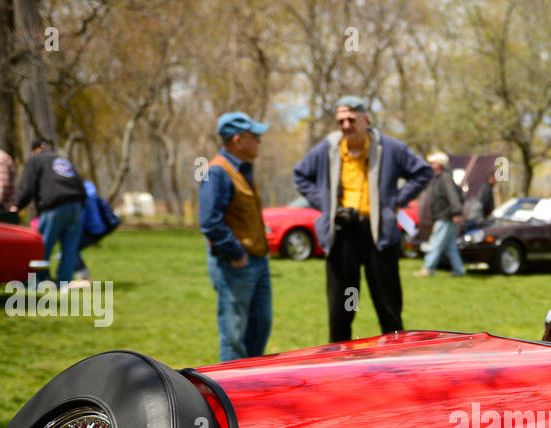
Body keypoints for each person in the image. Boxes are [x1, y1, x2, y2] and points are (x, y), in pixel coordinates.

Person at [293, 95, 433, 342]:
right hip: (343, 234)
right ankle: (340, 363)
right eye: (341, 121)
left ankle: (395, 361)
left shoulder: (390, 147)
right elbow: (300, 175)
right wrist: (326, 204)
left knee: (388, 306)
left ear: (365, 118)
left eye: (351, 119)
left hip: (378, 234)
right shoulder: (328, 149)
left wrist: (397, 200)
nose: (346, 126)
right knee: (344, 308)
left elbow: (423, 171)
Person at [199, 111, 273, 361]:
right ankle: (230, 392)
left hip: (257, 262)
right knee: (234, 334)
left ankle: (249, 384)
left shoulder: (242, 169)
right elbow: (209, 222)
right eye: (255, 136)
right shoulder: (217, 172)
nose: (259, 141)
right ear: (238, 141)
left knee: (261, 325)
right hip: (236, 265)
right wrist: (237, 254)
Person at [15, 138, 88, 287]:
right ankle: (64, 283)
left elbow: (27, 187)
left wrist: (17, 205)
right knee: (69, 247)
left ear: (34, 150)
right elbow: (80, 184)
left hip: (54, 207)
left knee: (42, 246)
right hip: (76, 205)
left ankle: (38, 280)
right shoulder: (62, 160)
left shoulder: (35, 160)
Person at [415, 152, 466, 277]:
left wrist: (456, 212)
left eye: (433, 162)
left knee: (435, 242)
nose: (431, 164)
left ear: (439, 164)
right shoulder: (441, 177)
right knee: (450, 246)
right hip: (446, 216)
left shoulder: (445, 177)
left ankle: (428, 269)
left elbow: (452, 195)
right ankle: (459, 270)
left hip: (445, 216)